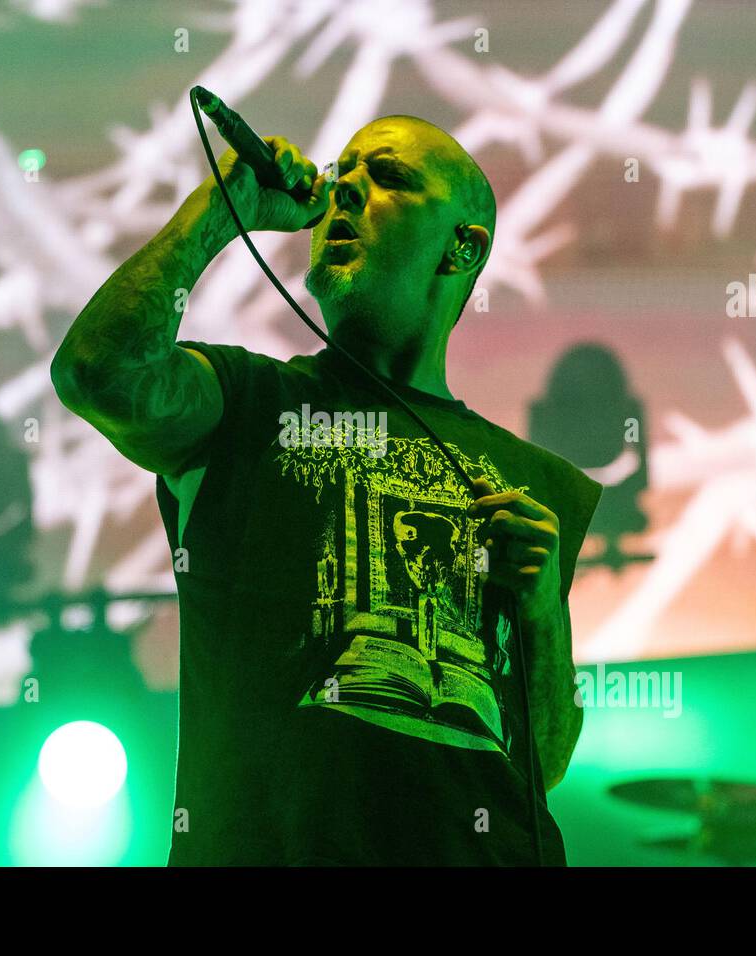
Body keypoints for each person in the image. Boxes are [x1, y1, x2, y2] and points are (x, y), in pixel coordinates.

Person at [51, 114, 602, 865]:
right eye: (342, 169)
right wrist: (220, 210)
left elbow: (544, 760)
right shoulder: (249, 404)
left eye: (388, 177)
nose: (344, 186)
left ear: (462, 245)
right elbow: (98, 373)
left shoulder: (537, 484)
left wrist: (542, 613)